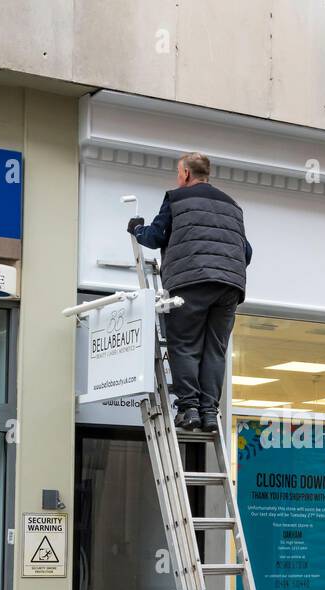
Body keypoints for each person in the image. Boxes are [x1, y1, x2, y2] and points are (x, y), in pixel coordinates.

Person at [128, 152, 253, 433]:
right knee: (215, 349)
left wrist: (136, 228)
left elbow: (156, 236)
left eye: (177, 172)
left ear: (185, 174)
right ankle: (210, 412)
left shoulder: (177, 199)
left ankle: (189, 409)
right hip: (230, 286)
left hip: (191, 281)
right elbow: (246, 251)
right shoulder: (233, 206)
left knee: (184, 343)